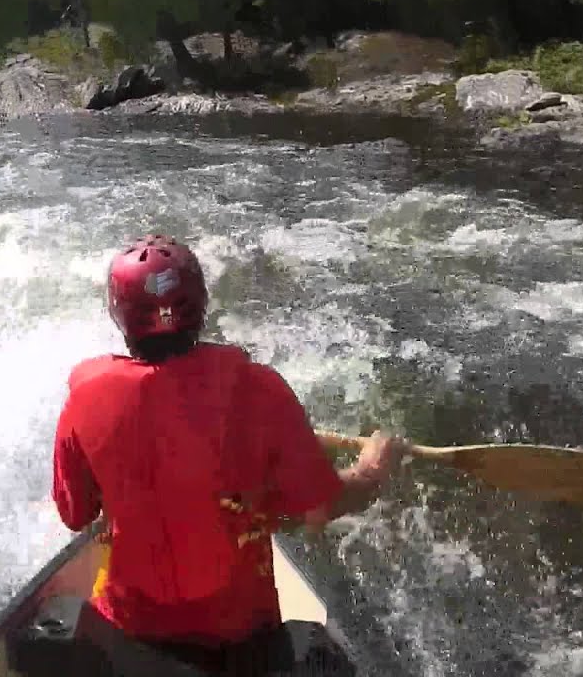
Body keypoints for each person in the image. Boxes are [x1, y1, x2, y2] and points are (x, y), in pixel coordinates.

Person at [50, 234, 409, 669]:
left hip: (131, 633)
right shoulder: (261, 391)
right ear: (201, 305)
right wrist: (375, 466)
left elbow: (75, 514)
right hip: (241, 638)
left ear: (119, 314)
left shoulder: (83, 399)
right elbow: (320, 509)